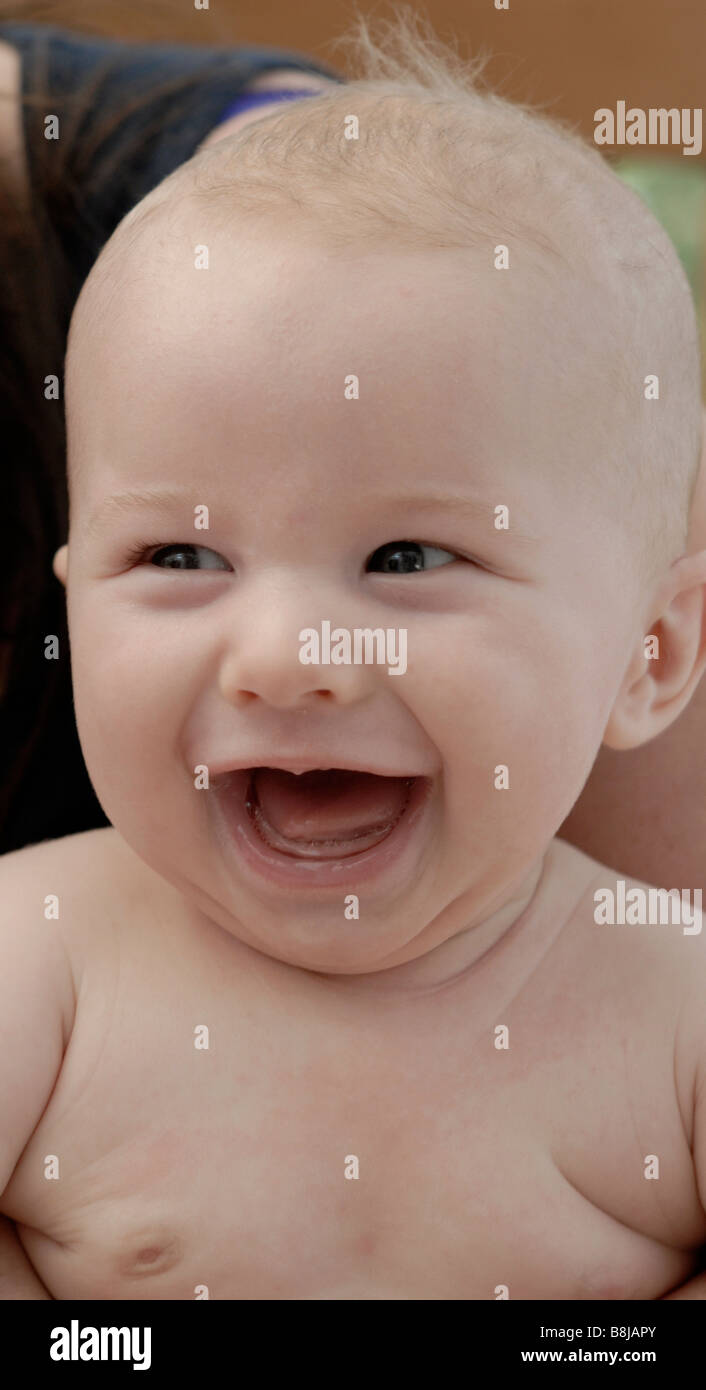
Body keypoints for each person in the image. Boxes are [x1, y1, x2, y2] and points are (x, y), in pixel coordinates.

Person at [2, 6, 706, 1300]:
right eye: (178, 559)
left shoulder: (670, 1015)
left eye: (404, 560)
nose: (284, 657)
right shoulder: (34, 966)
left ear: (648, 655)